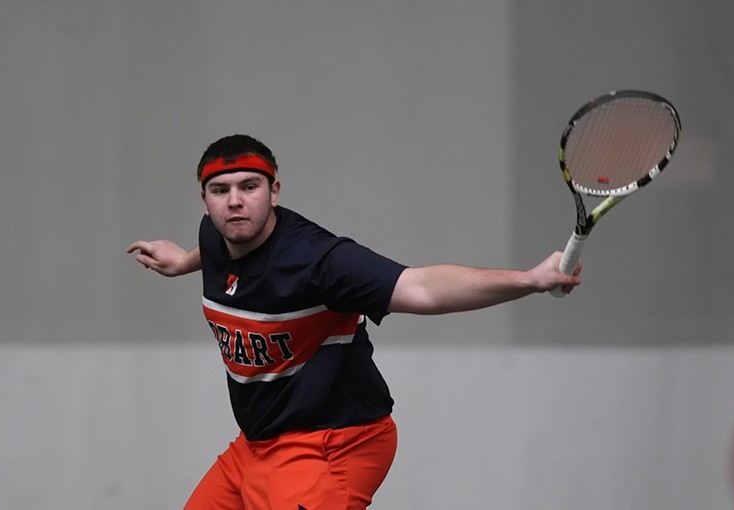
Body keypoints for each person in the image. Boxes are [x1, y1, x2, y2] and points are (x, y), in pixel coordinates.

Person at [127, 134, 582, 510]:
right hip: (255, 445)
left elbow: (422, 287)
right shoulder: (216, 234)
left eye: (250, 186)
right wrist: (182, 261)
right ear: (205, 202)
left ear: (275, 192)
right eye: (221, 191)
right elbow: (215, 252)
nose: (236, 201)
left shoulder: (318, 260)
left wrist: (529, 279)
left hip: (333, 443)